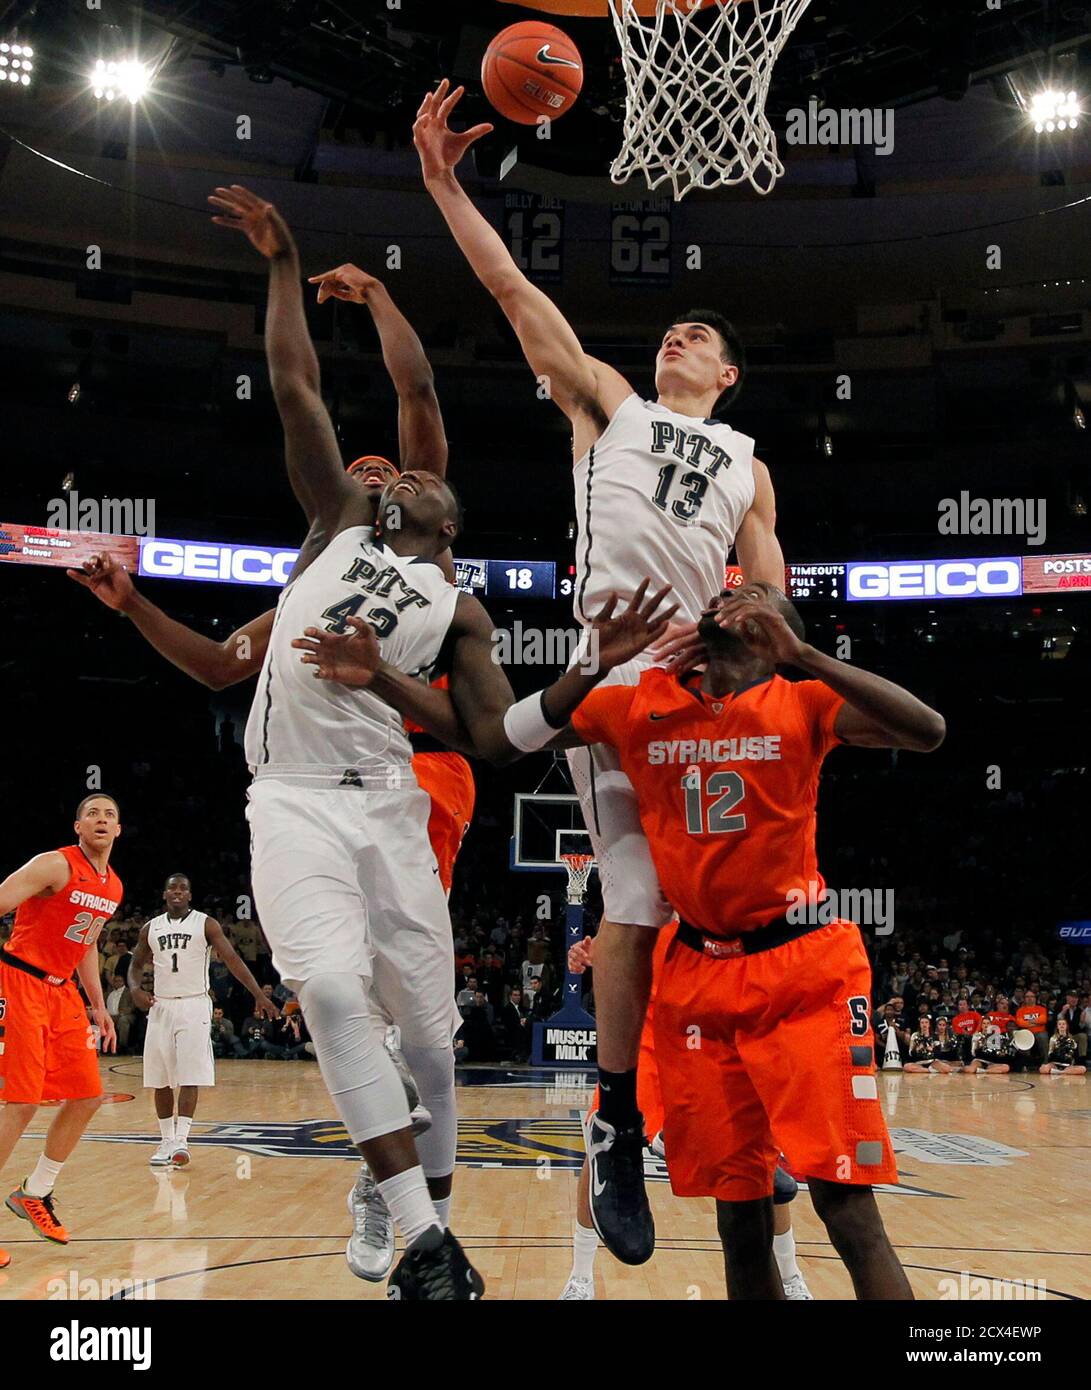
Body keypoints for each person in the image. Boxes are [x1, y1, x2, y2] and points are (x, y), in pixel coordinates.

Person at [317, 581, 944, 1296]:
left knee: (846, 1207)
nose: (739, 629)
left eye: (760, 623)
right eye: (730, 619)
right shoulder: (637, 704)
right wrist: (395, 677)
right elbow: (493, 738)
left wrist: (805, 655)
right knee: (737, 1221)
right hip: (699, 975)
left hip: (803, 969)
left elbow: (926, 729)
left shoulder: (801, 702)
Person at [413, 78, 787, 1261]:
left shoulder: (747, 462)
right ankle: (617, 1123)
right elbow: (513, 292)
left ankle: (737, 1092)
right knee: (628, 903)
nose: (677, 336)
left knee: (743, 908)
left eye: (702, 338)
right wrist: (440, 184)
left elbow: (769, 590)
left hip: (714, 694)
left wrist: (754, 633)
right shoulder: (607, 405)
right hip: (618, 681)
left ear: (726, 377)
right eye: (670, 329)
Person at [560, 929, 813, 1301]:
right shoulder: (645, 885)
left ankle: (791, 1276)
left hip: (704, 1026)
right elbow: (621, 932)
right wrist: (592, 950)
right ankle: (580, 1279)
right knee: (604, 1145)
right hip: (645, 1027)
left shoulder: (719, 893)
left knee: (760, 1157)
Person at [0, 796, 123, 1266]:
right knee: (22, 1103)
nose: (101, 820)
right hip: (21, 979)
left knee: (88, 1095)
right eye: (92, 813)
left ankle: (35, 1192)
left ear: (119, 830)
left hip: (62, 991)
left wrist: (97, 1005)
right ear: (77, 826)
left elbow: (86, 942)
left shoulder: (113, 886)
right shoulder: (53, 864)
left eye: (109, 815)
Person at [130, 873, 277, 1166]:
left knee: (189, 1075)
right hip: (161, 1005)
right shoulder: (151, 928)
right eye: (172, 887)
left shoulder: (206, 924)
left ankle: (182, 1141)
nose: (177, 892)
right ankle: (165, 1141)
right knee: (160, 1078)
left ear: (189, 895)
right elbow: (134, 965)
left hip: (194, 1004)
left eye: (183, 888)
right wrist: (135, 989)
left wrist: (258, 994)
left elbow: (233, 959)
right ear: (164, 894)